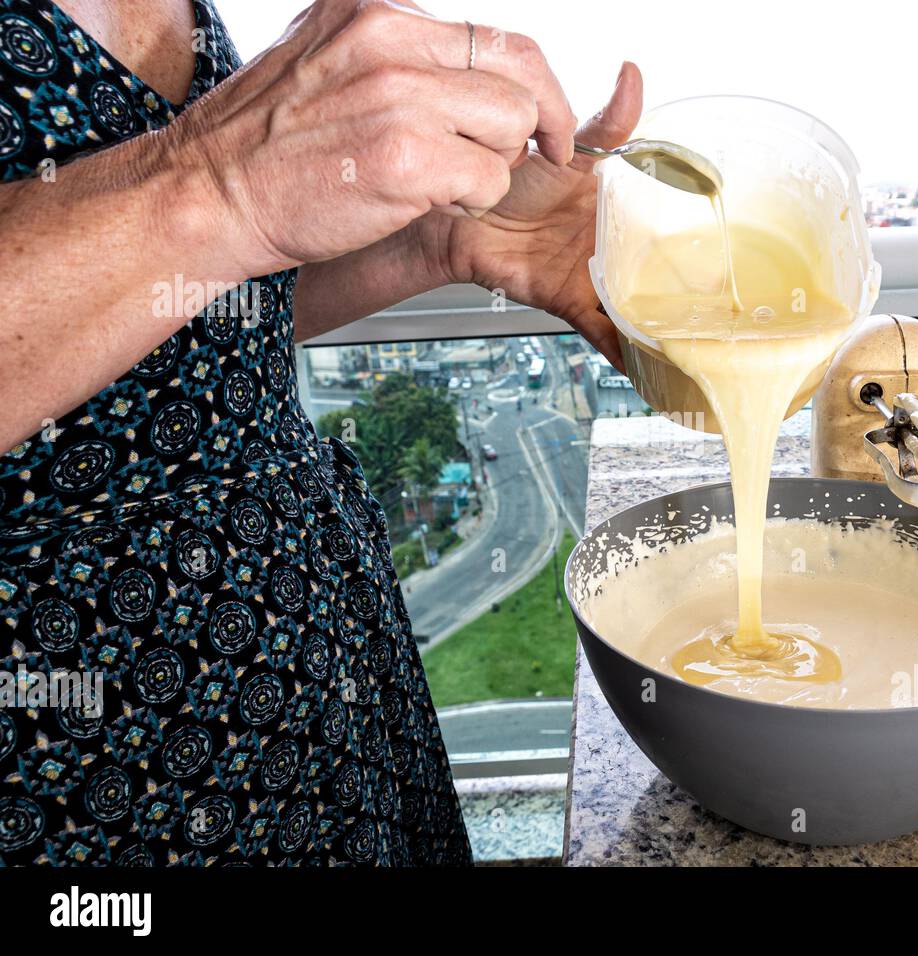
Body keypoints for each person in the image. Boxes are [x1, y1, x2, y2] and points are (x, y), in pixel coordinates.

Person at [0, 0, 641, 865]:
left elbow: (179, 341)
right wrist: (218, 181)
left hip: (327, 710)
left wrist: (441, 242)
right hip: (90, 771)